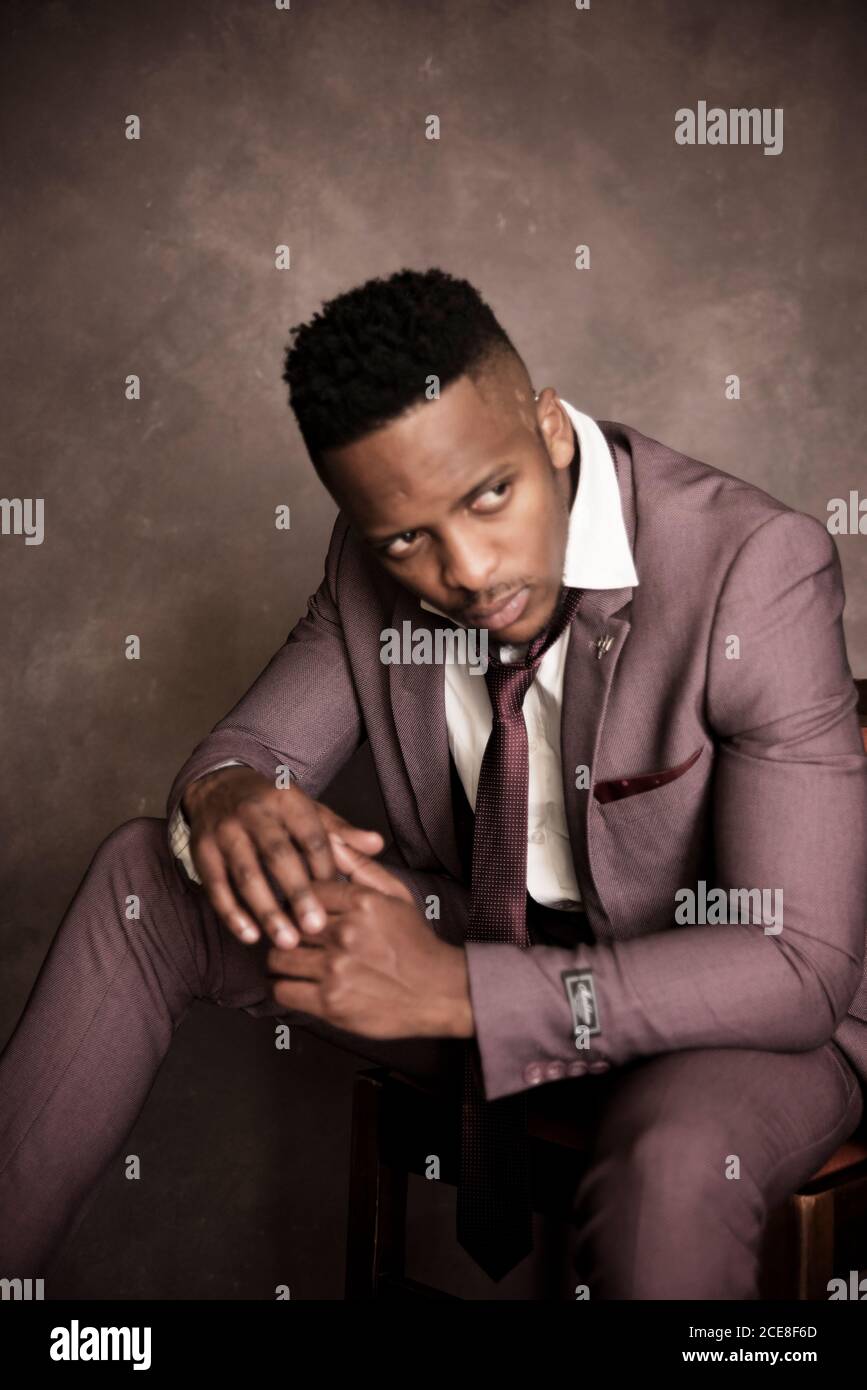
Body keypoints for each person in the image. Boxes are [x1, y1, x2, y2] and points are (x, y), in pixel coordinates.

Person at [2, 267, 865, 1298]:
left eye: (489, 496)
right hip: (484, 948)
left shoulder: (752, 565)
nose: (465, 570)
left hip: (726, 1018)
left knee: (671, 1174)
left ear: (548, 426)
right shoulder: (367, 563)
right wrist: (227, 797)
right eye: (407, 538)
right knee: (148, 882)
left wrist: (463, 989)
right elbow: (247, 754)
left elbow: (799, 964)